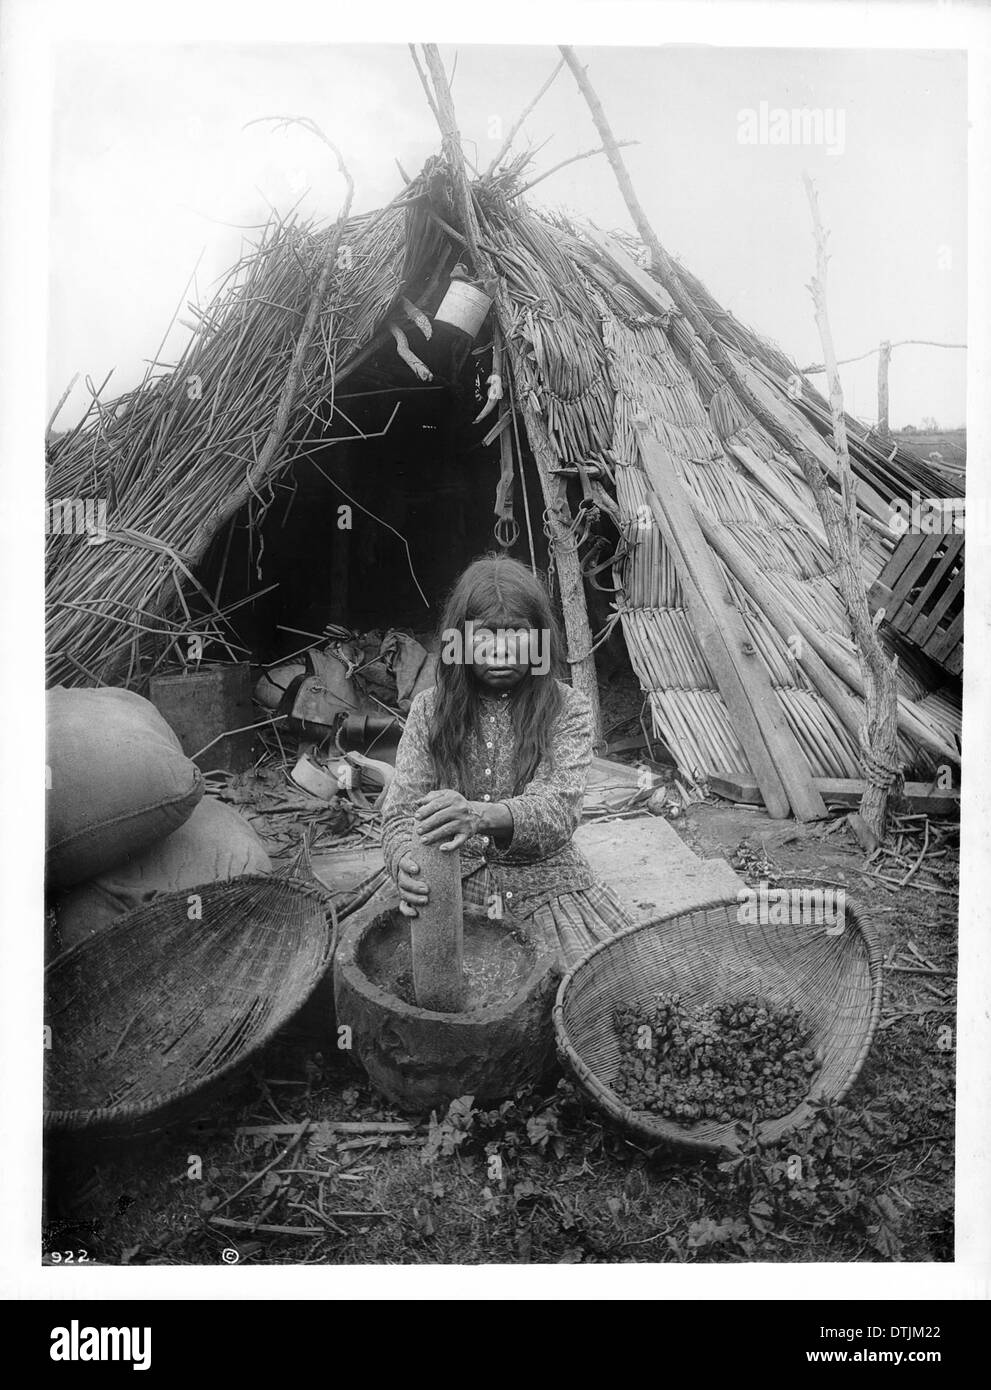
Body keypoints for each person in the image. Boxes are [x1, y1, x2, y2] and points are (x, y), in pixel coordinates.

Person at [380, 554, 637, 969]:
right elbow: (400, 813)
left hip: (542, 885)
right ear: (458, 642)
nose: (499, 652)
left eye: (516, 635)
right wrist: (403, 865)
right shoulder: (429, 709)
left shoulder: (567, 709)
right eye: (483, 637)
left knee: (592, 988)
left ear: (539, 640)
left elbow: (558, 809)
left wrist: (479, 815)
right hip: (445, 884)